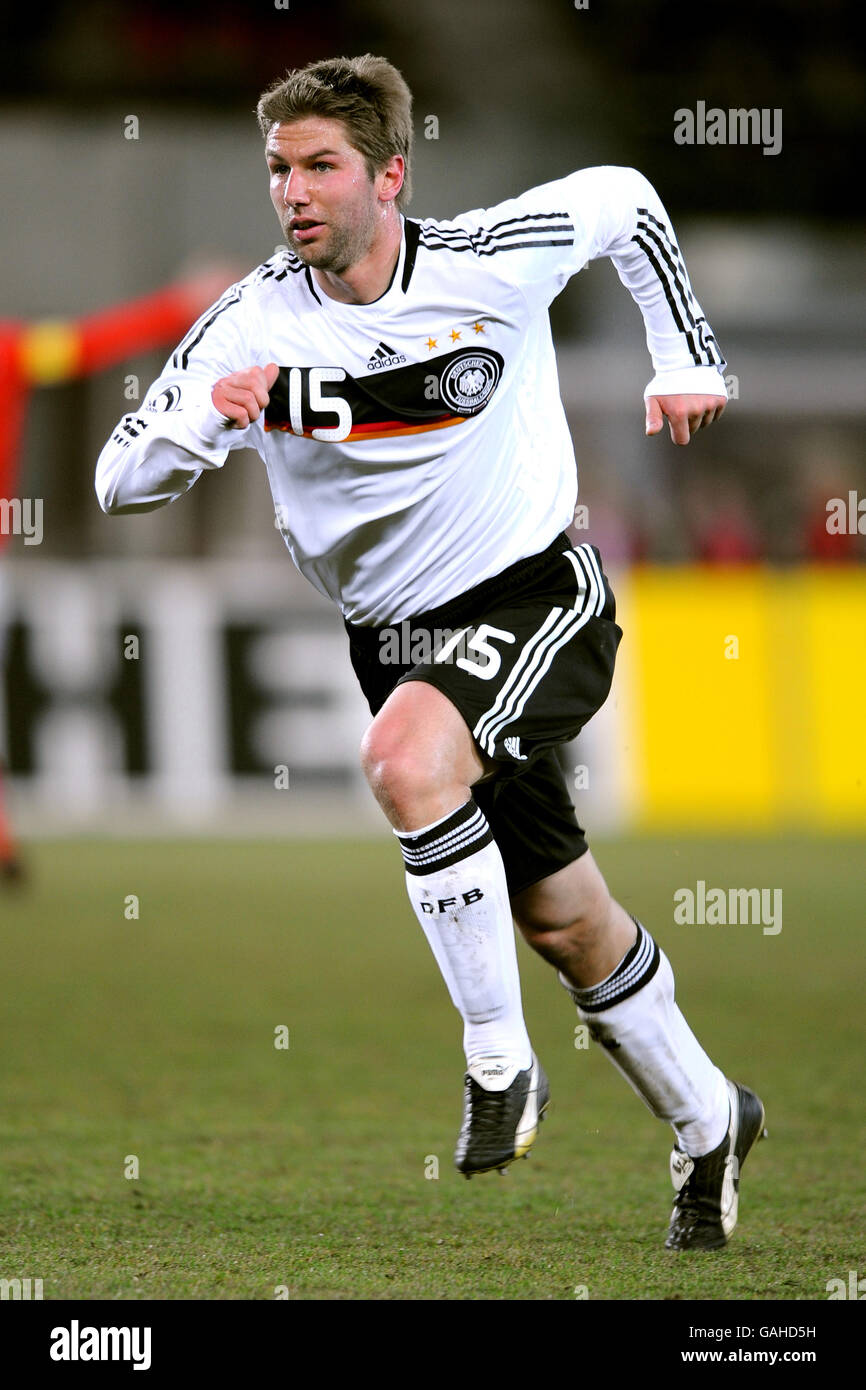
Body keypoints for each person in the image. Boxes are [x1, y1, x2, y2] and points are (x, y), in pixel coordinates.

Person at [95, 53, 766, 1250]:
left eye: (321, 166)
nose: (293, 192)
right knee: (562, 918)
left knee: (406, 761)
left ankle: (500, 1064)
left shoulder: (493, 257)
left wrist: (686, 354)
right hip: (393, 642)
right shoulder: (251, 318)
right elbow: (115, 480)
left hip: (535, 589)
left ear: (389, 174)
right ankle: (711, 1116)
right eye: (277, 169)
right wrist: (209, 413)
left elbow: (622, 194)